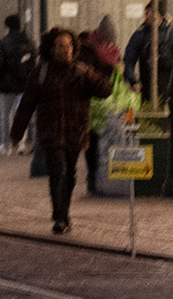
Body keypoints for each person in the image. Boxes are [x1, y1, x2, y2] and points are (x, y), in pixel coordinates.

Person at [11, 28, 112, 233]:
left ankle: (63, 212)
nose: (66, 50)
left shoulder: (81, 71)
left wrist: (92, 73)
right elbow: (27, 105)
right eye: (60, 46)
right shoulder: (41, 73)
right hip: (51, 131)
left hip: (76, 132)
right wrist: (17, 132)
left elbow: (105, 90)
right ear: (52, 48)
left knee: (70, 174)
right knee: (58, 171)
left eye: (69, 46)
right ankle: (60, 216)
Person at [80, 28, 124, 196]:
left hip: (105, 103)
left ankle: (98, 178)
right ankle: (94, 178)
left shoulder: (112, 50)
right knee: (93, 142)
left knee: (99, 142)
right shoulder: (87, 50)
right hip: (92, 103)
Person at [0, 15, 38, 154]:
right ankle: (21, 144)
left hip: (7, 84)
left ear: (7, 26)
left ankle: (6, 145)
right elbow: (33, 62)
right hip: (25, 83)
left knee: (5, 115)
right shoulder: (29, 42)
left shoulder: (3, 43)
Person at [123, 1, 173, 107]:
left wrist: (161, 59)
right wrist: (132, 80)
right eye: (146, 13)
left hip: (168, 88)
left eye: (151, 12)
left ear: (160, 16)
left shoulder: (172, 32)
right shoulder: (140, 33)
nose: (147, 16)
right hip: (147, 87)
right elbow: (129, 58)